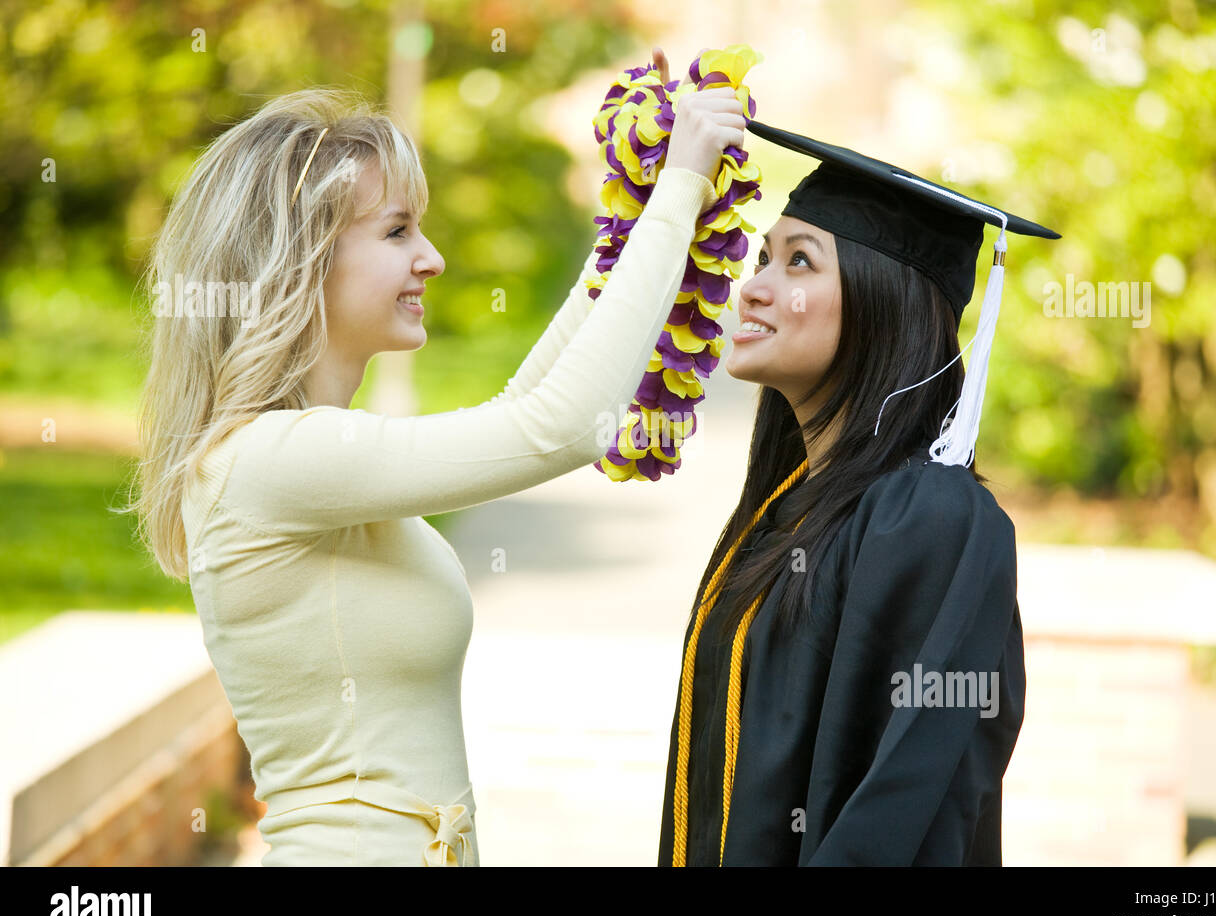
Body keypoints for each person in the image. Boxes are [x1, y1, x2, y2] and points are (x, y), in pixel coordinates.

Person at [120, 77, 745, 865]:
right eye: (397, 232)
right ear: (301, 258)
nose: (433, 258)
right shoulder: (266, 461)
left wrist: (635, 219)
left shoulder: (314, 457)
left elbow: (526, 404)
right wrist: (683, 185)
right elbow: (555, 427)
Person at [657, 119, 1061, 866]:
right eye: (763, 258)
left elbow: (900, 805)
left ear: (884, 302)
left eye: (799, 263)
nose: (755, 289)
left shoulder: (931, 517)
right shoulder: (789, 508)